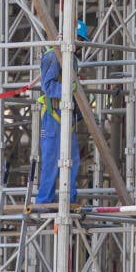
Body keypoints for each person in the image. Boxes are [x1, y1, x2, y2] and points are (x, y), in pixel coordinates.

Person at [35, 19, 88, 205]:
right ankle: (44, 201)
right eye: (79, 39)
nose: (80, 45)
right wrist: (69, 86)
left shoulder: (71, 59)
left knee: (72, 160)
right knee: (51, 160)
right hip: (53, 114)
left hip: (67, 114)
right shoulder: (53, 56)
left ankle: (69, 199)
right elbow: (48, 87)